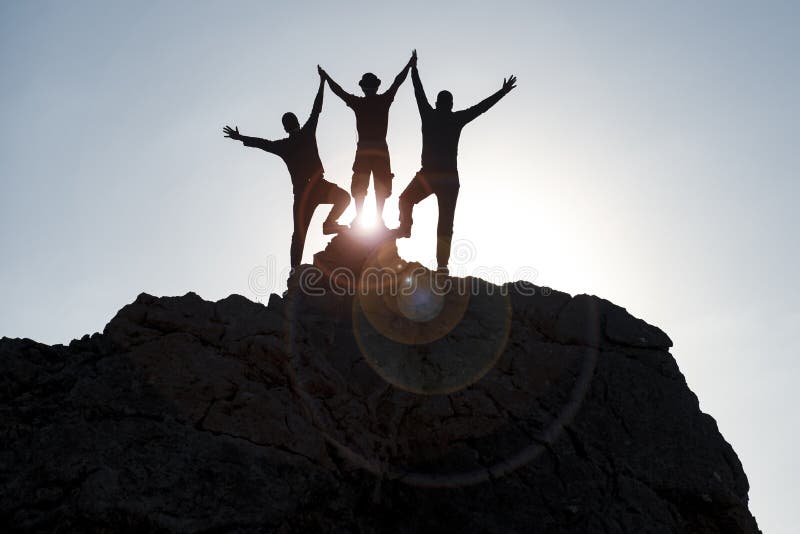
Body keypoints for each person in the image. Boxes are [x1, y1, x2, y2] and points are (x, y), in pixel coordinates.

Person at [395, 52, 516, 274]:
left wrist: (414, 68)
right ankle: (440, 264)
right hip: (446, 178)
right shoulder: (454, 118)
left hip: (433, 176)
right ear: (450, 105)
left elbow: (418, 92)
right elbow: (482, 107)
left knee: (410, 202)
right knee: (443, 222)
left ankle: (408, 229)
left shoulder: (430, 115)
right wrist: (502, 92)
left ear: (439, 103)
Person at [223, 67, 350, 269]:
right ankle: (298, 268)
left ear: (286, 127)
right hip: (310, 190)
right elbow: (316, 109)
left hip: (308, 191)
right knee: (335, 205)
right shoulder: (302, 135)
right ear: (295, 123)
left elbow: (262, 142)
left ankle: (299, 265)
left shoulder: (287, 144)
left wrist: (240, 138)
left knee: (303, 231)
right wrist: (322, 83)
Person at [319, 51, 415, 225]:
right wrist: (409, 65)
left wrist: (326, 78)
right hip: (377, 149)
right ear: (374, 87)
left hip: (366, 149)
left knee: (364, 185)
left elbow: (339, 91)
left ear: (364, 88)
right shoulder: (382, 100)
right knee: (377, 185)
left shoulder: (362, 103)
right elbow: (397, 82)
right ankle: (375, 218)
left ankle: (367, 217)